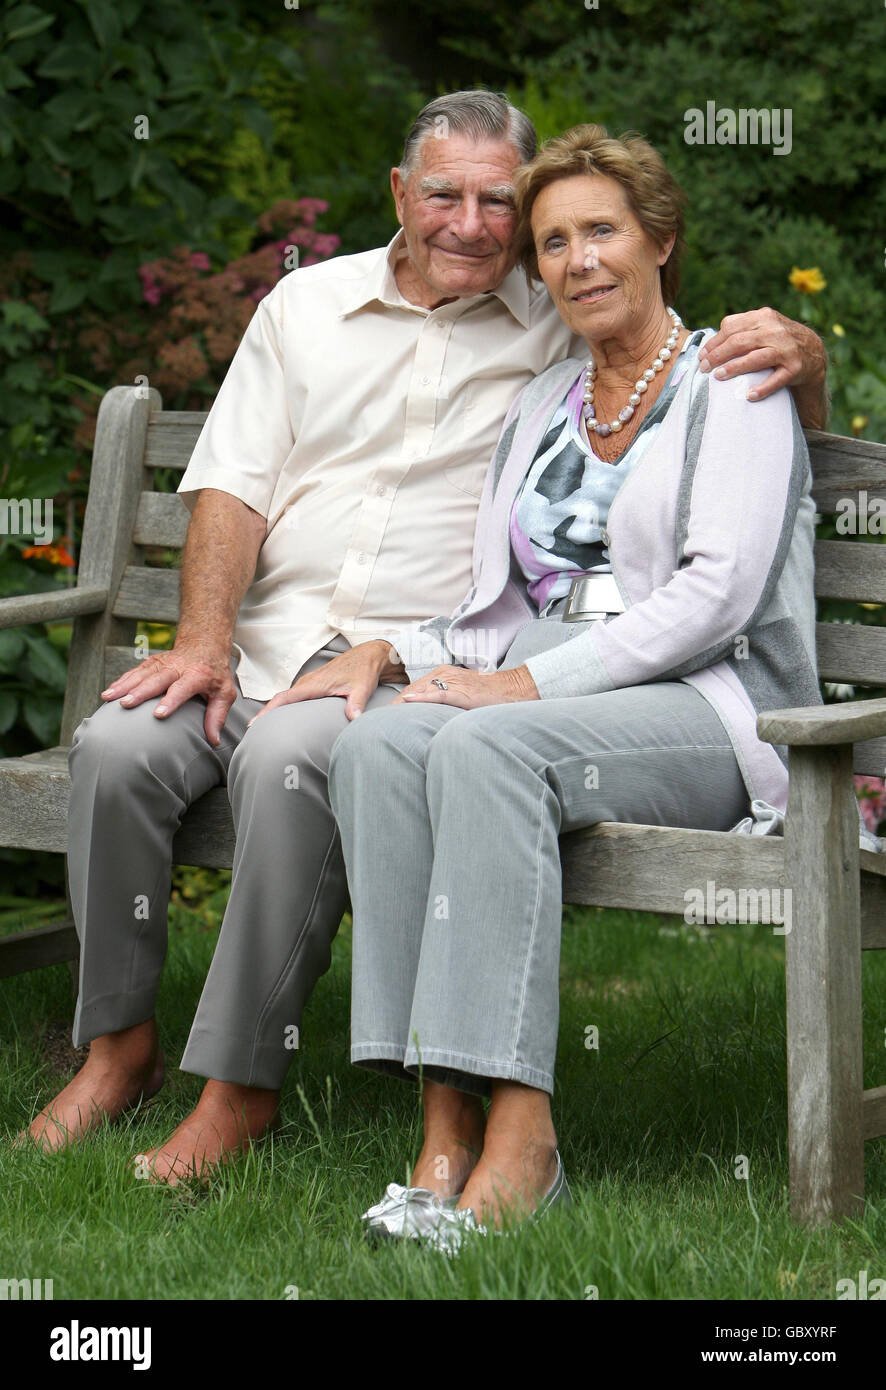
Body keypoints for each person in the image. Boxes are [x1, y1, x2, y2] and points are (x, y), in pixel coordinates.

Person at [22, 92, 825, 1184]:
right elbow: (242, 487)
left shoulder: (612, 338)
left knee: (323, 756)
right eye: (448, 194)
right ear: (400, 193)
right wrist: (219, 642)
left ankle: (250, 1088)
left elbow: (716, 526)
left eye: (509, 206)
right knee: (117, 748)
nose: (478, 225)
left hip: (558, 684)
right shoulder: (343, 318)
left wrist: (805, 359)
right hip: (285, 649)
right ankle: (134, 1053)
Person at [326, 123, 822, 1251]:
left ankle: (526, 1141)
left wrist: (524, 690)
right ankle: (442, 1126)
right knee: (382, 742)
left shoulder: (730, 383)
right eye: (551, 242)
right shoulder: (545, 403)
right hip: (554, 687)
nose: (577, 260)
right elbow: (498, 604)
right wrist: (397, 653)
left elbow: (717, 597)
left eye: (601, 231)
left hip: (711, 703)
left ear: (659, 240)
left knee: (489, 745)